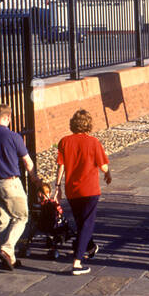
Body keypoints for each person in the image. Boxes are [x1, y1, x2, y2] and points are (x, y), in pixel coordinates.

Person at [53, 109, 112, 275]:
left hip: (72, 190)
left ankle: (90, 246)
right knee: (87, 223)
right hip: (90, 190)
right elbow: (103, 166)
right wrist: (108, 173)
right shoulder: (93, 142)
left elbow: (61, 166)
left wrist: (57, 187)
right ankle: (77, 262)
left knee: (81, 222)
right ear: (88, 125)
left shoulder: (64, 141)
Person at [0, 105, 36, 269]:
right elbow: (27, 161)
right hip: (10, 182)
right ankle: (6, 249)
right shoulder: (14, 137)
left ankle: (9, 259)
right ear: (8, 117)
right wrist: (35, 178)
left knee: (2, 221)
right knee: (21, 217)